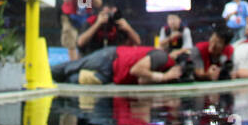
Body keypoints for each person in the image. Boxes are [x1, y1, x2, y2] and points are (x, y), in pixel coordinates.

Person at [51, 44, 185, 85]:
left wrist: (163, 78)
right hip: (110, 58)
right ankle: (40, 71)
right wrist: (164, 77)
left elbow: (141, 80)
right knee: (69, 68)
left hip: (111, 75)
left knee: (71, 80)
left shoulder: (165, 69)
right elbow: (136, 70)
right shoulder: (163, 57)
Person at [76, 4, 141, 54]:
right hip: (92, 55)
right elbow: (80, 42)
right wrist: (98, 24)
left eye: (111, 14)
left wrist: (128, 28)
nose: (108, 17)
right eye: (106, 14)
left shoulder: (118, 23)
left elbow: (138, 42)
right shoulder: (92, 21)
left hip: (113, 58)